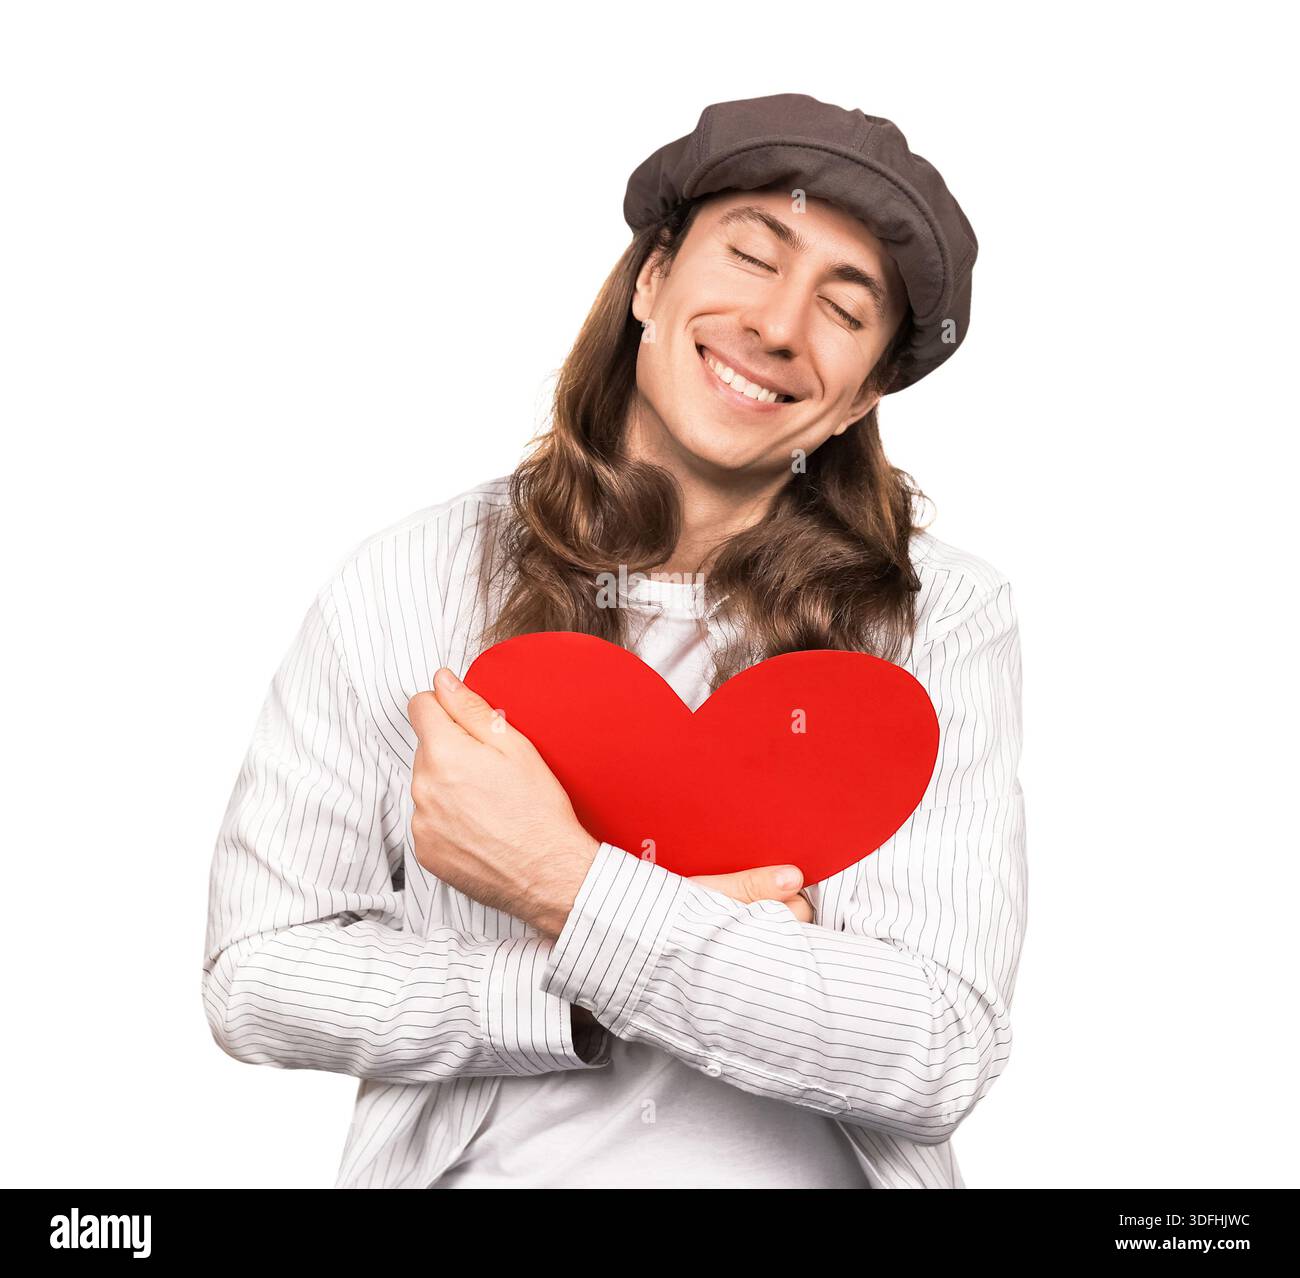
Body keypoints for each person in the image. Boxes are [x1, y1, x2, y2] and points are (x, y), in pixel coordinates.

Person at [202, 92, 1027, 1189]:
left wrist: (561, 884)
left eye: (844, 305)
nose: (777, 325)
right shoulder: (409, 578)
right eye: (750, 253)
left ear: (858, 395)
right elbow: (257, 976)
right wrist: (571, 988)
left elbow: (936, 1048)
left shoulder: (938, 621)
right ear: (650, 280)